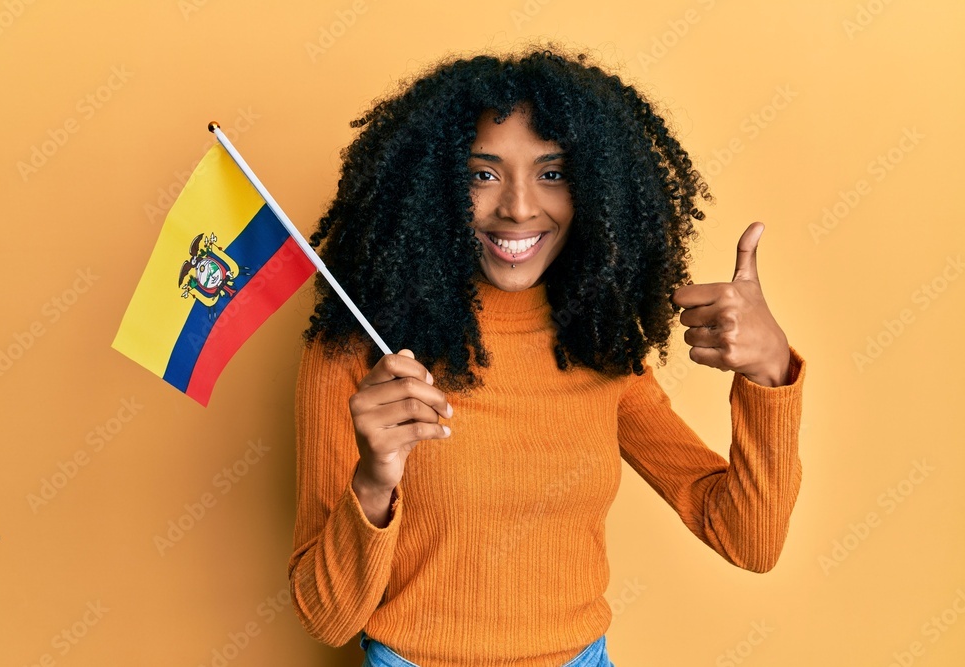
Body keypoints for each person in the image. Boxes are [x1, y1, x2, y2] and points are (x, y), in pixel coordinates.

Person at [287, 45, 806, 667]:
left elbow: (748, 540)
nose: (519, 207)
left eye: (552, 173)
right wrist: (374, 481)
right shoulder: (357, 352)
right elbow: (327, 618)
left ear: (596, 188)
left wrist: (769, 375)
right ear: (429, 188)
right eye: (482, 174)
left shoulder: (599, 346)